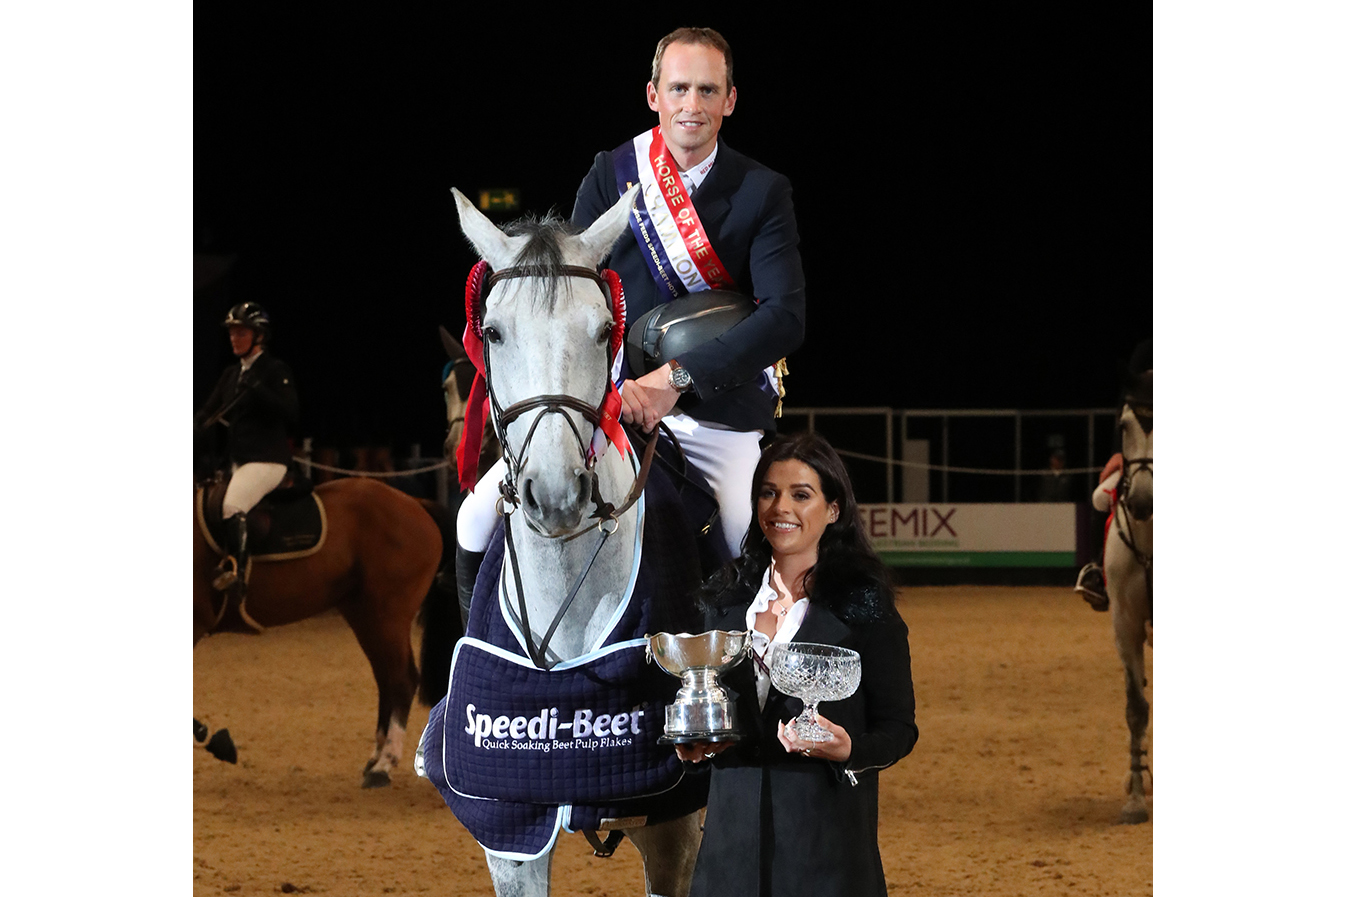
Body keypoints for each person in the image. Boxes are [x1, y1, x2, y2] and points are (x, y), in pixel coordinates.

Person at [453, 26, 807, 622]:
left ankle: (746, 670)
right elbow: (566, 292)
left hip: (715, 412)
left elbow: (784, 319)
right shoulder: (611, 171)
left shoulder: (763, 191)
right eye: (679, 88)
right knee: (474, 519)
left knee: (746, 531)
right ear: (653, 95)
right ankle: (476, 656)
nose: (692, 104)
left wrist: (676, 379)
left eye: (707, 90)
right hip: (614, 399)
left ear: (729, 100)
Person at [675, 432, 918, 896]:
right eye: (769, 493)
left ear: (834, 510)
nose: (780, 507)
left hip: (826, 857)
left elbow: (898, 728)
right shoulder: (724, 599)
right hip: (730, 856)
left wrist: (850, 750)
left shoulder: (865, 608)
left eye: (801, 495)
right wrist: (698, 746)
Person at [194, 302, 300, 592]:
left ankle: (236, 573)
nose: (234, 338)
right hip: (238, 461)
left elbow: (291, 413)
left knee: (233, 506)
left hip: (267, 461)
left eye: (241, 333)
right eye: (232, 333)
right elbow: (208, 412)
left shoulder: (275, 370)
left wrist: (259, 390)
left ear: (259, 336)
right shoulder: (231, 374)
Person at [1074, 337, 1152, 610]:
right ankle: (1097, 571)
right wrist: (1118, 451)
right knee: (1100, 497)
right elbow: (1125, 407)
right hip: (1144, 454)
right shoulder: (1146, 351)